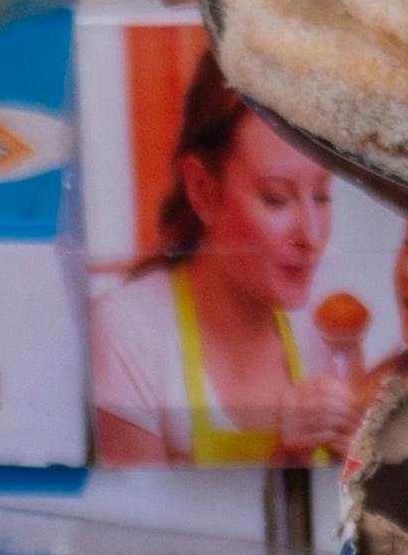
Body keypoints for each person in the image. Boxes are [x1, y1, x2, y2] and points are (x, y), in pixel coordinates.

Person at [104, 59, 385, 469]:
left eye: (322, 196)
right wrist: (284, 458)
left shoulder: (320, 331)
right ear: (203, 190)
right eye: (276, 197)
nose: (311, 234)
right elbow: (138, 526)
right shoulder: (125, 334)